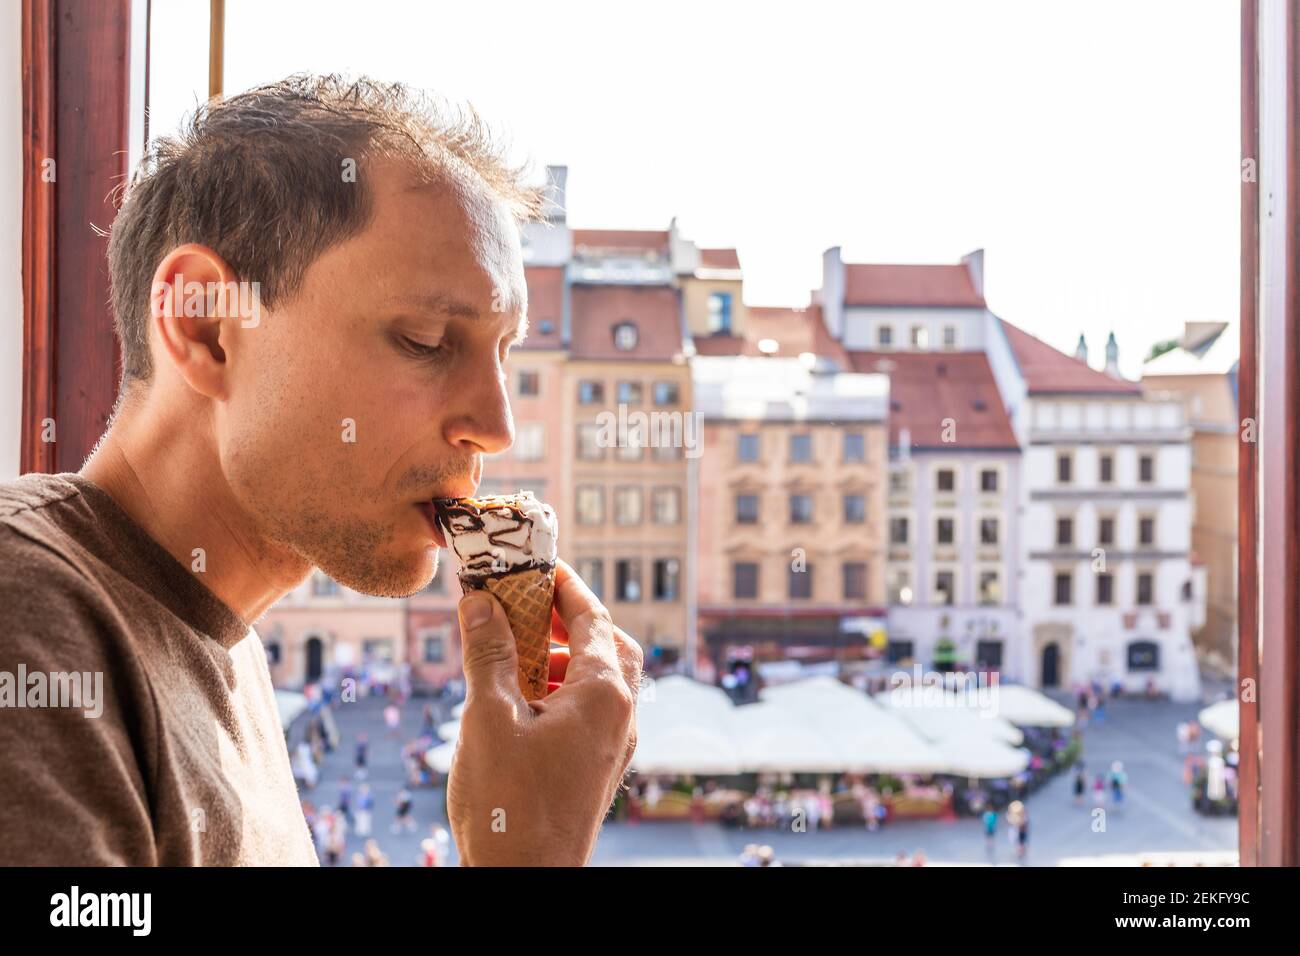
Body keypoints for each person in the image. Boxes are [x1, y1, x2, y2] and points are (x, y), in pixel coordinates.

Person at [0, 75, 640, 866]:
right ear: (206, 326)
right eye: (428, 341)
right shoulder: (24, 621)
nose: (496, 429)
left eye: (503, 354)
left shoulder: (227, 647)